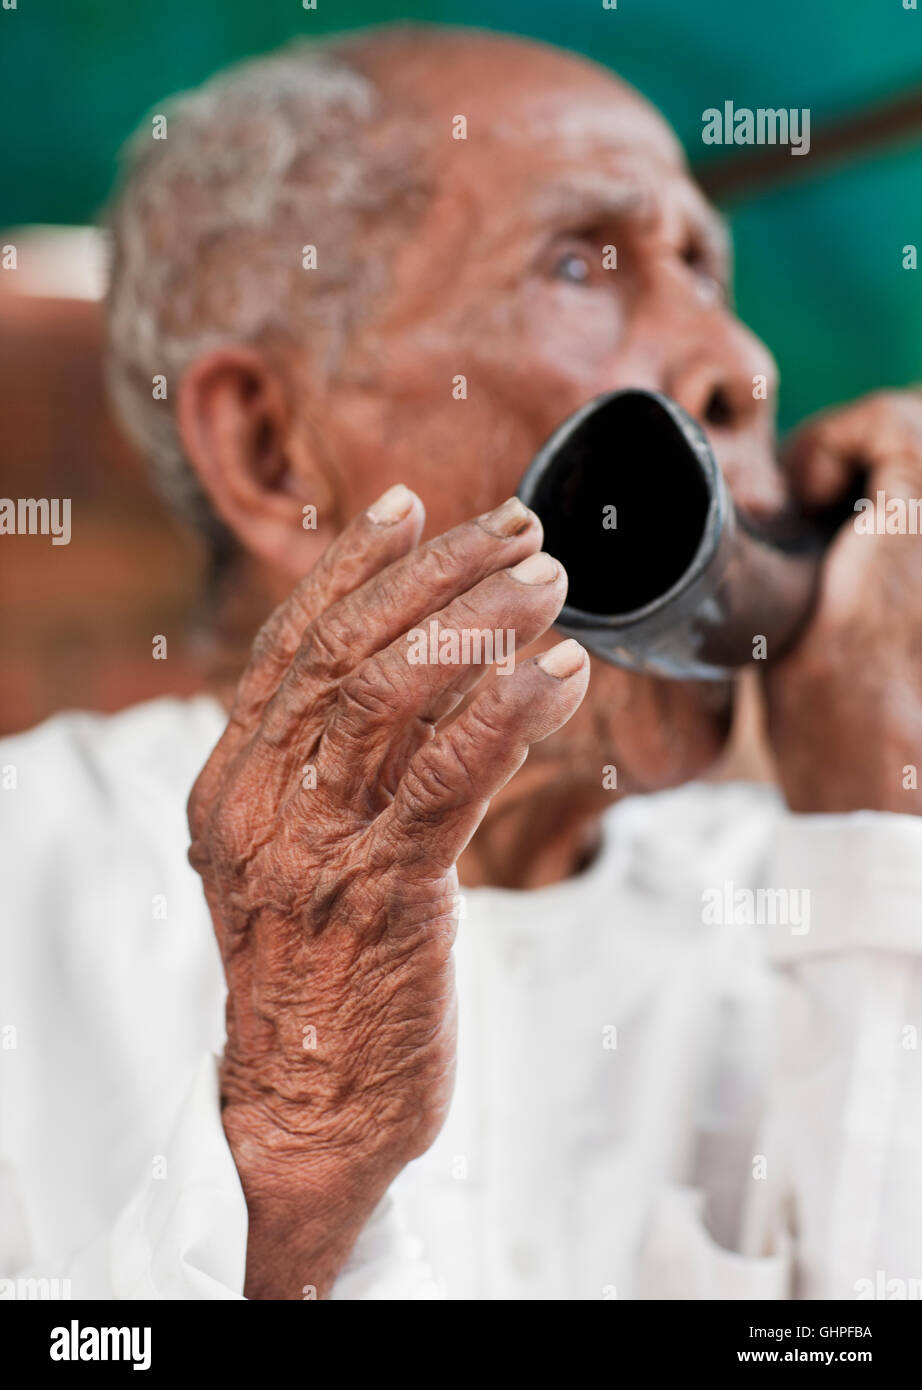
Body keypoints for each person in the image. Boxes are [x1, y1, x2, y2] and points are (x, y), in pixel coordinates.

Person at [2, 25, 921, 1301]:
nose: (743, 364)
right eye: (577, 264)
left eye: (707, 270)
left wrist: (881, 826)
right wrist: (292, 1179)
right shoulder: (22, 877)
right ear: (274, 451)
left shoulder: (831, 888)